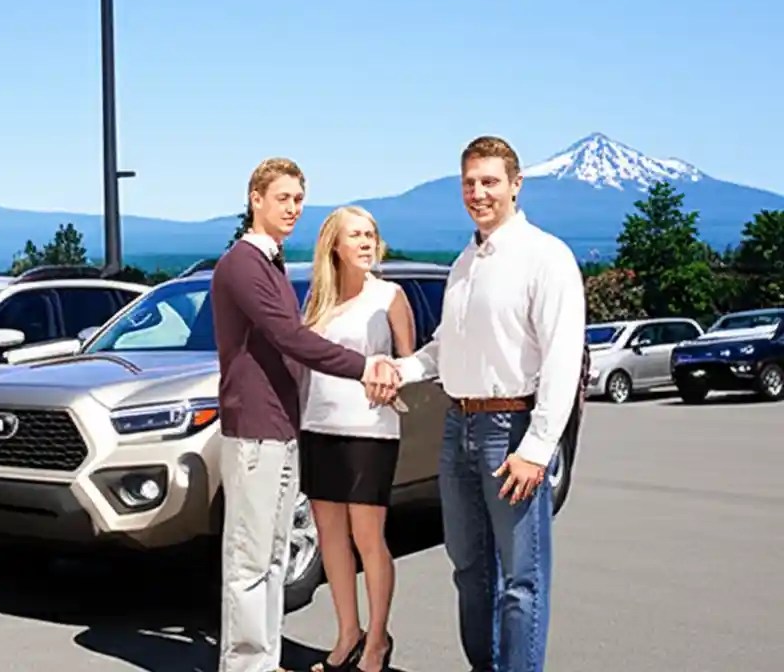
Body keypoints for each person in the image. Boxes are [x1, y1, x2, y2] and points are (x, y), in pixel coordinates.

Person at [388, 136, 585, 672]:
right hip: (459, 428)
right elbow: (445, 348)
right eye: (470, 182)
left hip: (511, 430)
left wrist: (538, 446)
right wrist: (400, 370)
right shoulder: (463, 264)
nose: (479, 193)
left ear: (516, 185)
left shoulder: (546, 257)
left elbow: (564, 358)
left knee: (522, 579)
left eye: (490, 181)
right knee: (469, 570)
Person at [210, 157, 399, 672]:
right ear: (256, 200)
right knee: (251, 562)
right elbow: (291, 339)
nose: (292, 208)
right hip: (255, 432)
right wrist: (364, 367)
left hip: (281, 429)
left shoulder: (271, 263)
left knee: (272, 559)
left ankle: (263, 661)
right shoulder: (243, 264)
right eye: (282, 198)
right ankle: (247, 666)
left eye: (298, 199)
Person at [298, 206, 415, 672]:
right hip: (318, 427)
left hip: (370, 431)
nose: (366, 243)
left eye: (371, 235)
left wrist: (393, 376)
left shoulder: (390, 296)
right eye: (356, 236)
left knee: (368, 538)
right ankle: (348, 632)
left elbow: (409, 362)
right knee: (330, 536)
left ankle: (377, 640)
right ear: (335, 246)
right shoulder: (317, 302)